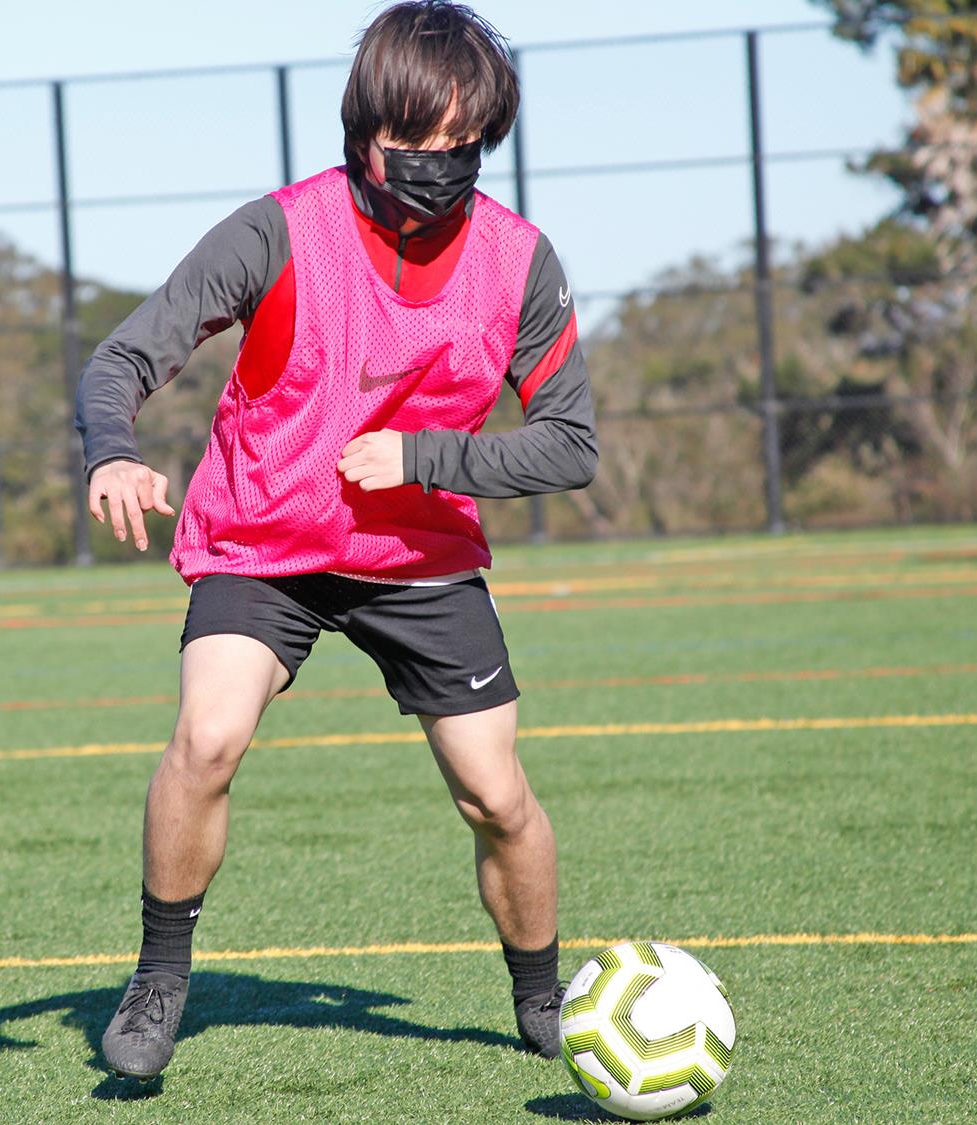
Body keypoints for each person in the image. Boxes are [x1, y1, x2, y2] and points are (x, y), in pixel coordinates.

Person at [73, 0, 597, 1080]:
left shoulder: (518, 261)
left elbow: (569, 443)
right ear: (364, 131)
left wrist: (425, 458)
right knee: (207, 737)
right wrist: (112, 454)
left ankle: (542, 995)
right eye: (417, 144)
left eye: (464, 146)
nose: (440, 166)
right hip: (264, 541)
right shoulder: (274, 233)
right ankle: (158, 979)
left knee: (495, 795)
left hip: (419, 557)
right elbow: (122, 357)